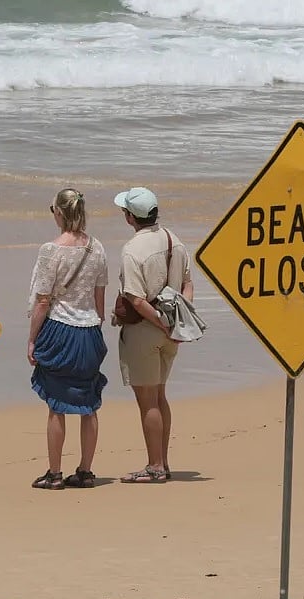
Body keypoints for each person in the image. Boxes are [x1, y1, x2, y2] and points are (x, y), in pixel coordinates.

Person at [27, 188, 110, 490]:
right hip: (89, 331)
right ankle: (86, 471)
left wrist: (32, 339)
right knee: (89, 404)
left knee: (56, 404)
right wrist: (96, 324)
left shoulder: (51, 250)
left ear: (59, 213)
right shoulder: (97, 248)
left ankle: (55, 473)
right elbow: (100, 298)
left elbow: (42, 301)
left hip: (60, 330)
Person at [112, 187, 194, 484]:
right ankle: (163, 462)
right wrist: (177, 323)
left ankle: (156, 466)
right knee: (160, 396)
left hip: (146, 331)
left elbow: (136, 299)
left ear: (130, 217)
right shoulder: (174, 240)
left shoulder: (132, 250)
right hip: (170, 332)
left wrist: (162, 323)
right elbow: (187, 285)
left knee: (147, 401)